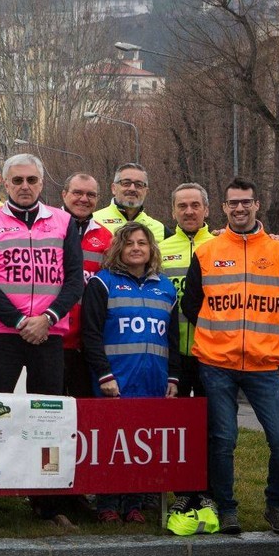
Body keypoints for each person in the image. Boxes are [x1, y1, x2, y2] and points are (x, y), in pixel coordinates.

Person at [0, 154, 83, 531]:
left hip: (48, 336)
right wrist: (17, 321)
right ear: (4, 184)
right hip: (1, 337)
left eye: (31, 180)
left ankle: (46, 504)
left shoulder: (63, 222)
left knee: (48, 423)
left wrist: (46, 319)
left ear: (42, 184)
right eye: (17, 181)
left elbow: (74, 281)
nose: (24, 186)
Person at [181, 178, 279, 537]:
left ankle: (275, 506)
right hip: (216, 364)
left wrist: (268, 333)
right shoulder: (206, 252)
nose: (239, 208)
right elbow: (192, 304)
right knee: (223, 440)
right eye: (232, 203)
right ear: (223, 207)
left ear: (257, 205)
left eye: (245, 202)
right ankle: (227, 508)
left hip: (265, 366)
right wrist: (220, 333)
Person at [81, 221, 180, 525]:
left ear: (152, 249)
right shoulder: (102, 283)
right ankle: (108, 503)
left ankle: (134, 503)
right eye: (129, 243)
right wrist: (104, 376)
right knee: (112, 444)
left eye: (142, 243)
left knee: (142, 444)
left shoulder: (165, 287)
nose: (136, 248)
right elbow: (91, 335)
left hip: (153, 381)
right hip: (115, 380)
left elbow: (172, 339)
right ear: (118, 248)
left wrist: (173, 378)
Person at [160, 182, 216, 516]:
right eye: (182, 206)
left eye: (196, 205)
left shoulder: (222, 245)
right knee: (178, 429)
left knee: (214, 429)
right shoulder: (162, 249)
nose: (189, 211)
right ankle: (182, 492)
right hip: (175, 354)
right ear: (173, 211)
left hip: (212, 353)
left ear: (207, 210)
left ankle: (210, 493)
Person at [60, 173, 111, 398]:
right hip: (52, 338)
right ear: (64, 194)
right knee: (47, 412)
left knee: (84, 411)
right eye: (77, 193)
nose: (84, 199)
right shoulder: (48, 227)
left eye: (90, 194)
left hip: (87, 342)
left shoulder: (107, 237)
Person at [94, 163, 166, 242]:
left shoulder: (160, 229)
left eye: (139, 185)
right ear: (114, 188)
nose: (132, 189)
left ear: (146, 191)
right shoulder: (94, 222)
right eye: (126, 183)